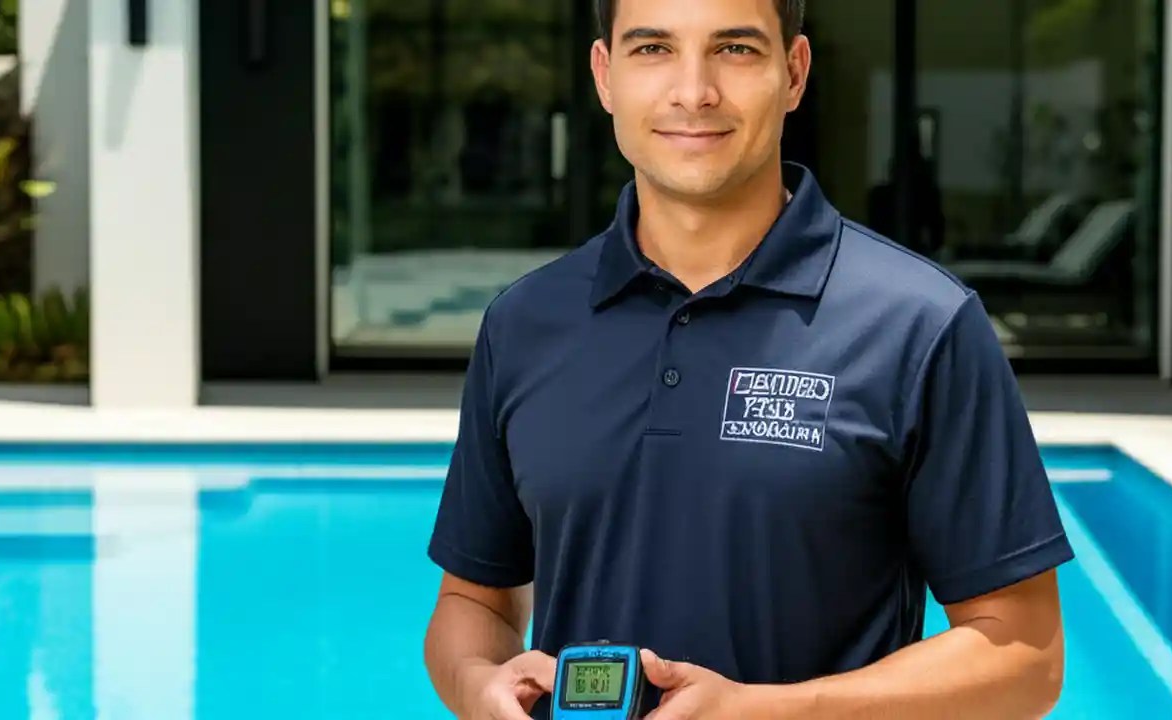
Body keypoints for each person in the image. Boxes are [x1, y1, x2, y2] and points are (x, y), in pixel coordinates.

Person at [423, 0, 1074, 718]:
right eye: (653, 50)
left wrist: (769, 710)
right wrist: (476, 685)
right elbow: (471, 601)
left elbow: (1024, 655)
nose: (694, 91)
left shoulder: (920, 323)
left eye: (734, 49)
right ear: (605, 77)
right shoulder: (524, 324)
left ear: (793, 74)